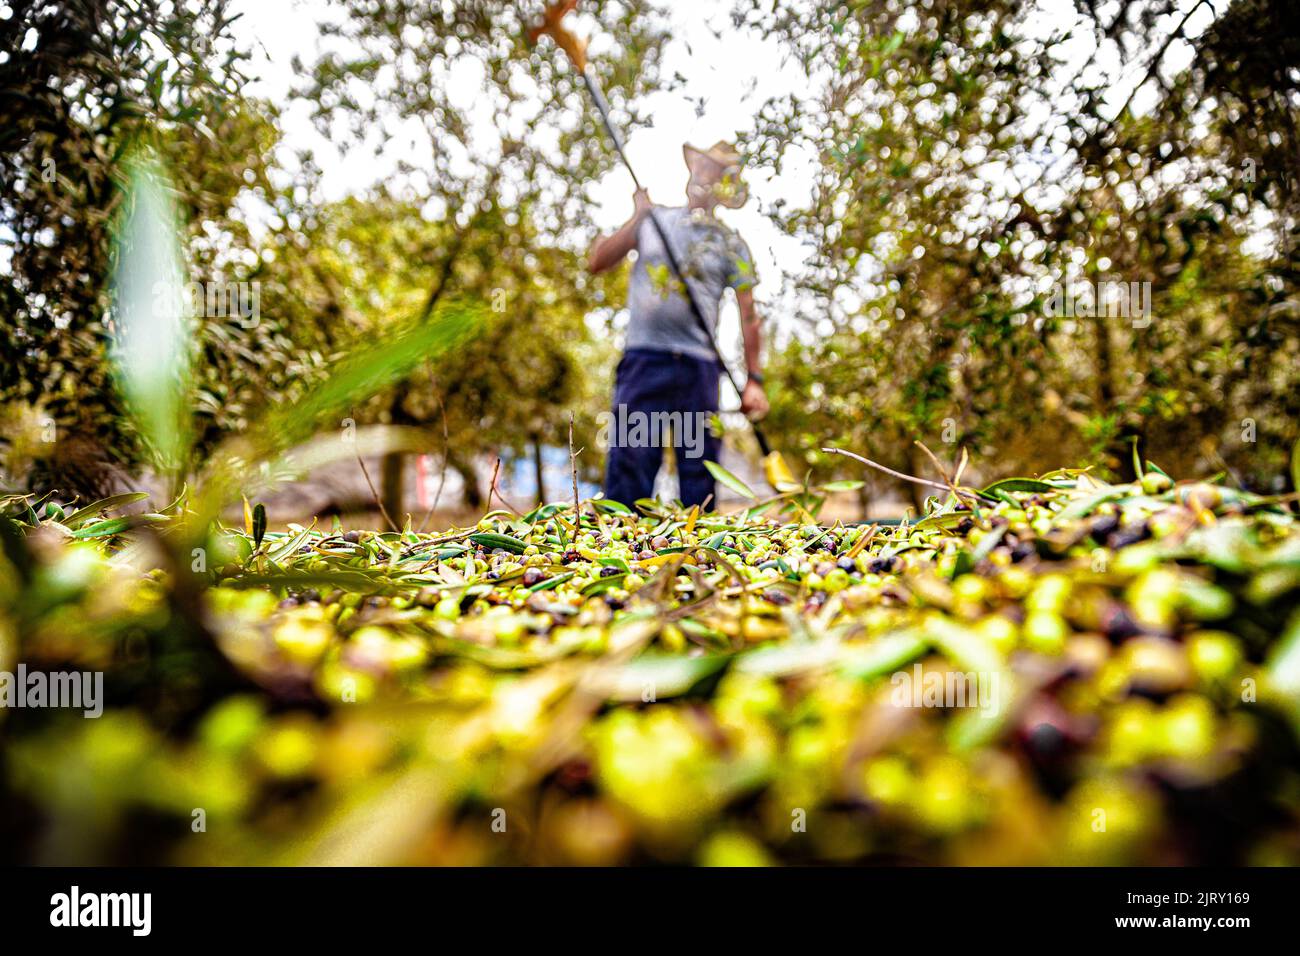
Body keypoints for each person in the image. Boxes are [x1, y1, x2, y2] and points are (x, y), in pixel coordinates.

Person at [588, 140, 768, 507]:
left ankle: (698, 557)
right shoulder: (655, 222)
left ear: (725, 186)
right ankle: (618, 557)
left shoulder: (732, 244)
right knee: (630, 462)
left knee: (699, 473)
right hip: (644, 362)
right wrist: (637, 216)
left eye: (715, 172)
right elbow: (597, 261)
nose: (704, 176)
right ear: (691, 171)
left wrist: (754, 380)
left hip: (699, 370)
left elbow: (748, 314)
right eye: (701, 167)